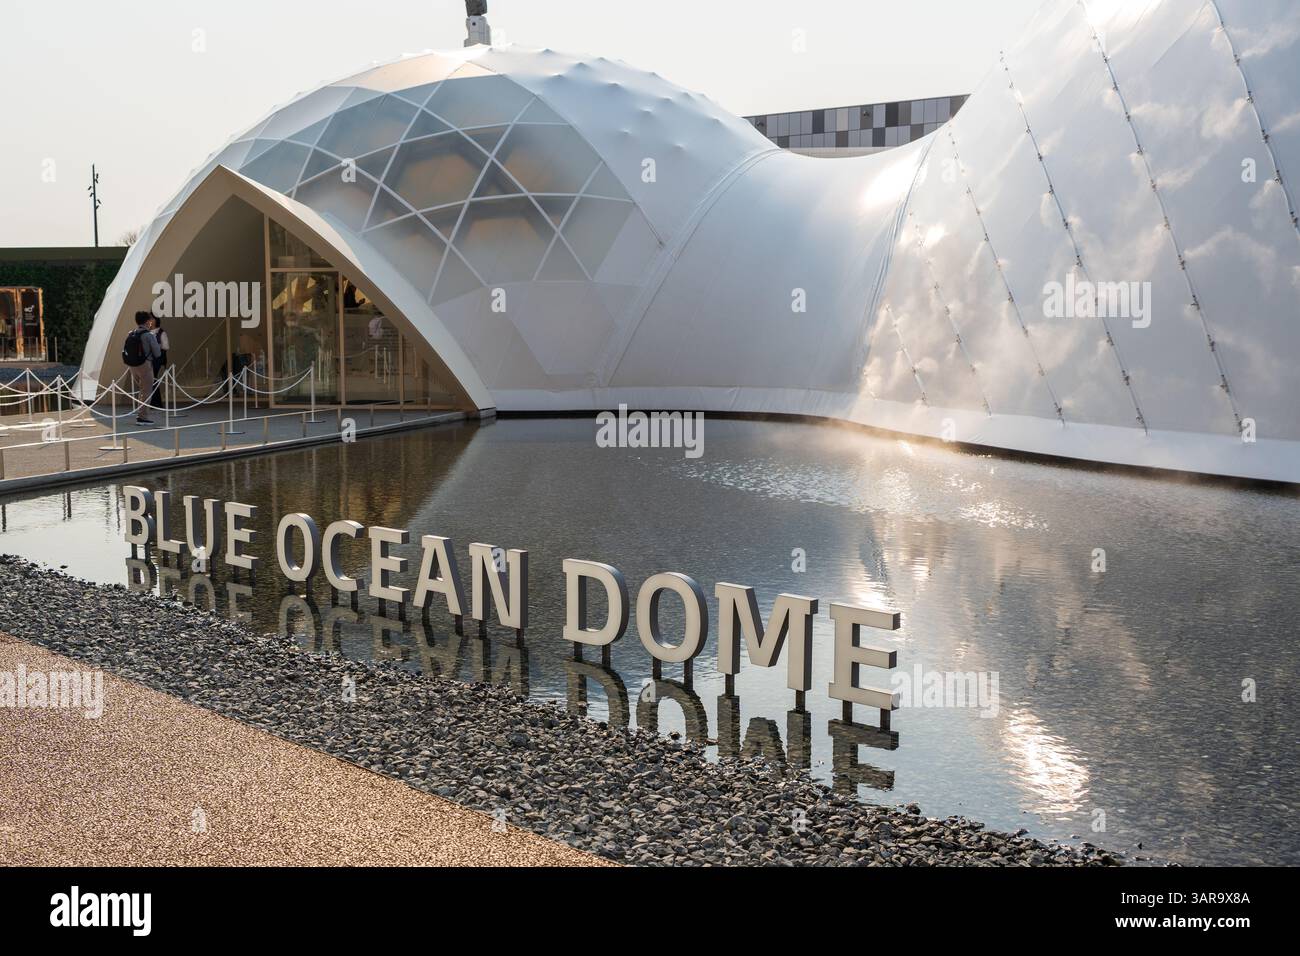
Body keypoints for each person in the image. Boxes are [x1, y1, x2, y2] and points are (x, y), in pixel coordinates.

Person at [121, 311, 160, 425]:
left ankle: (141, 413)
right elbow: (157, 353)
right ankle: (143, 417)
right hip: (145, 364)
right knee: (147, 391)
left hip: (133, 365)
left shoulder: (131, 333)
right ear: (147, 321)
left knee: (142, 390)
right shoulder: (149, 335)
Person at [148, 315, 170, 408]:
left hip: (157, 359)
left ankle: (155, 403)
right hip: (148, 359)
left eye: (151, 319)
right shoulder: (147, 332)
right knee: (151, 380)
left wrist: (156, 345)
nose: (149, 321)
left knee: (152, 379)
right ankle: (153, 402)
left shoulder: (161, 332)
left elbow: (166, 346)